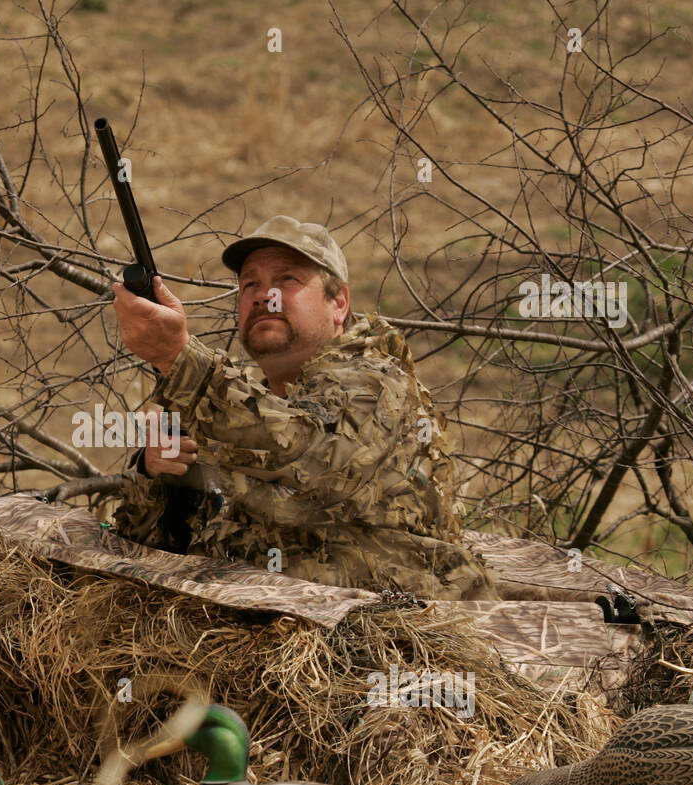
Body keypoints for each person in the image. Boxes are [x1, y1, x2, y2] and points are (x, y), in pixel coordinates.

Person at [109, 215, 499, 601]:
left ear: (339, 303)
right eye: (250, 284)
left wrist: (180, 361)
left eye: (287, 280)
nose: (264, 295)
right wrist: (157, 471)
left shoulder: (377, 384)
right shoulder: (233, 414)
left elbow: (311, 456)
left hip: (392, 638)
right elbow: (148, 549)